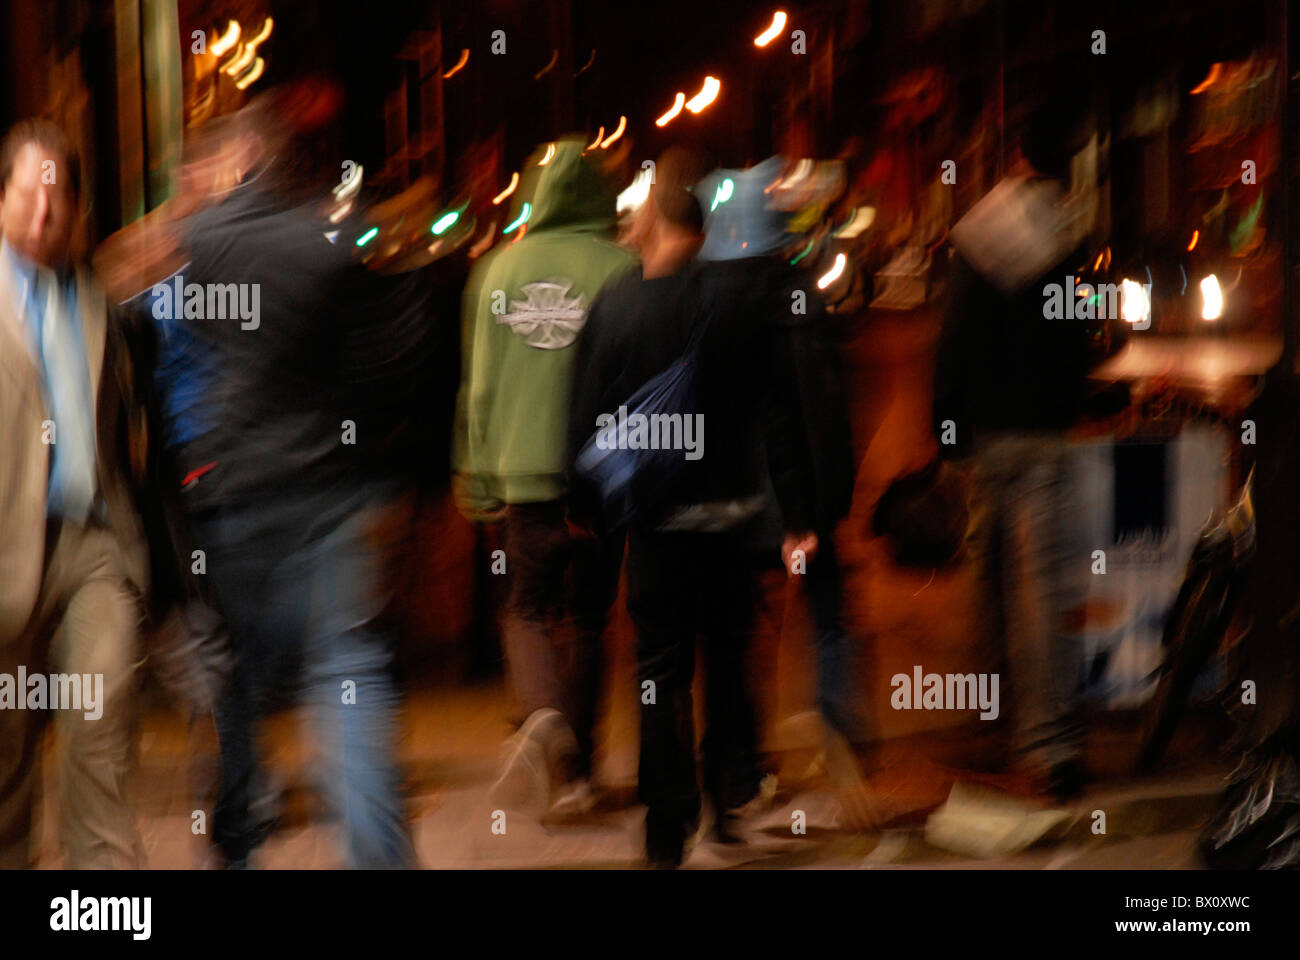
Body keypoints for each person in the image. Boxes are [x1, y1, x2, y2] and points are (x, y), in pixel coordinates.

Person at [181, 89, 421, 868]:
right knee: (349, 677)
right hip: (331, 501)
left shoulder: (197, 245)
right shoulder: (330, 248)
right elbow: (384, 371)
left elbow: (179, 364)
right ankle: (378, 858)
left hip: (235, 504)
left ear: (241, 158)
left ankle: (238, 848)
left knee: (240, 692)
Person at [570, 154, 818, 867]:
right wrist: (797, 513)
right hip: (732, 522)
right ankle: (725, 803)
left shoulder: (615, 306)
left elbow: (583, 421)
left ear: (653, 221)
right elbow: (778, 417)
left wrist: (585, 510)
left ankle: (664, 826)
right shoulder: (736, 304)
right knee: (729, 664)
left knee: (659, 670)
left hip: (656, 526)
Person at [454, 137, 638, 817]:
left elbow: (477, 389)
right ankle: (582, 773)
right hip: (602, 477)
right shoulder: (626, 267)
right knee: (590, 618)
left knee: (527, 607)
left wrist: (475, 470)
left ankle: (545, 723)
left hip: (520, 473)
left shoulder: (495, 274)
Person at [933, 89, 1099, 801]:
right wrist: (1088, 396)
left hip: (988, 442)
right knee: (1045, 592)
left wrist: (947, 434)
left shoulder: (976, 232)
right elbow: (1084, 332)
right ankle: (1051, 745)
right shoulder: (1072, 237)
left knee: (989, 589)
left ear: (1017, 154)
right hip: (1047, 439)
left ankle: (989, 724)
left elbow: (953, 343)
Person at [0, 119, 151, 868]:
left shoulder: (103, 298)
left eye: (56, 203)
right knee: (8, 770)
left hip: (94, 548)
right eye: (28, 197)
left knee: (101, 743)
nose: (41, 217)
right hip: (3, 561)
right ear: (2, 200)